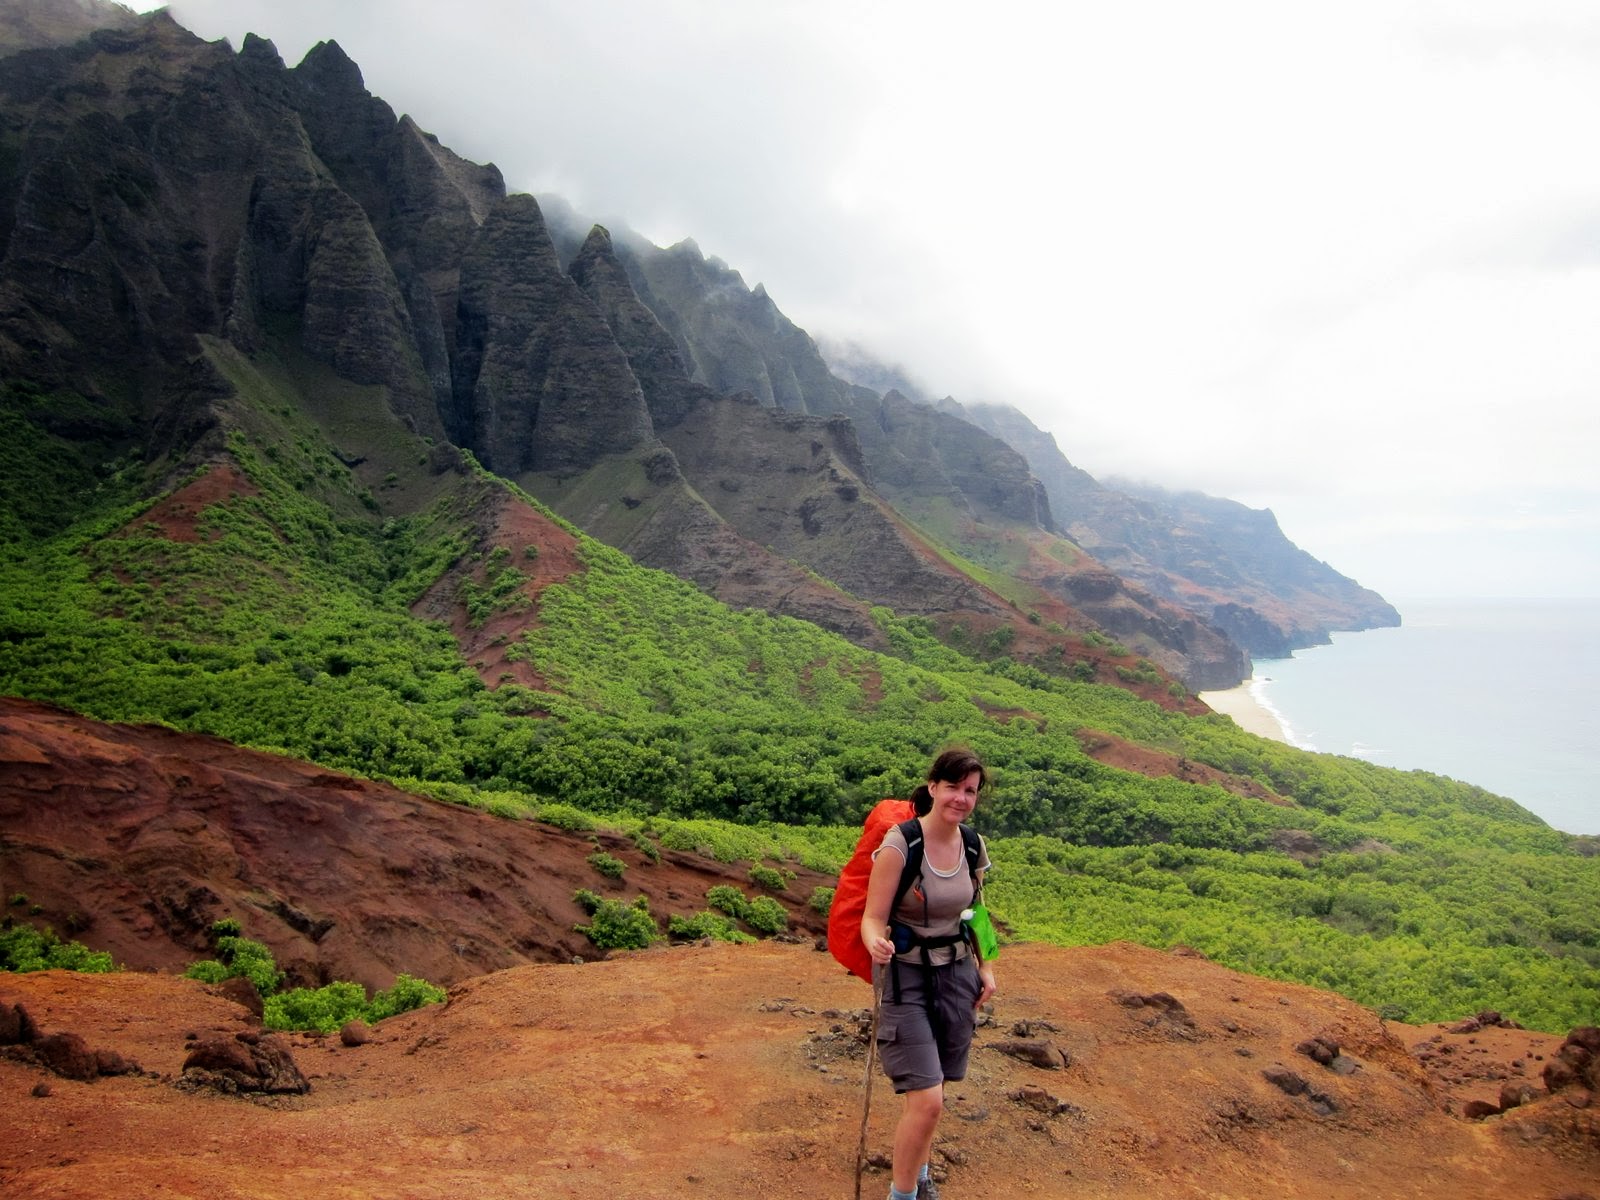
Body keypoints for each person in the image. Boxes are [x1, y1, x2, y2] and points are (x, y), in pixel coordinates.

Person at [860, 748, 995, 1200]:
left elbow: (977, 913)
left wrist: (987, 966)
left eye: (970, 790)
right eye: (953, 787)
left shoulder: (972, 846)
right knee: (928, 1098)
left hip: (956, 975)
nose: (961, 798)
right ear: (934, 787)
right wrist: (873, 940)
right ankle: (903, 1195)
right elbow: (872, 916)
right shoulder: (902, 844)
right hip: (906, 978)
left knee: (937, 1087)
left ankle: (919, 1173)